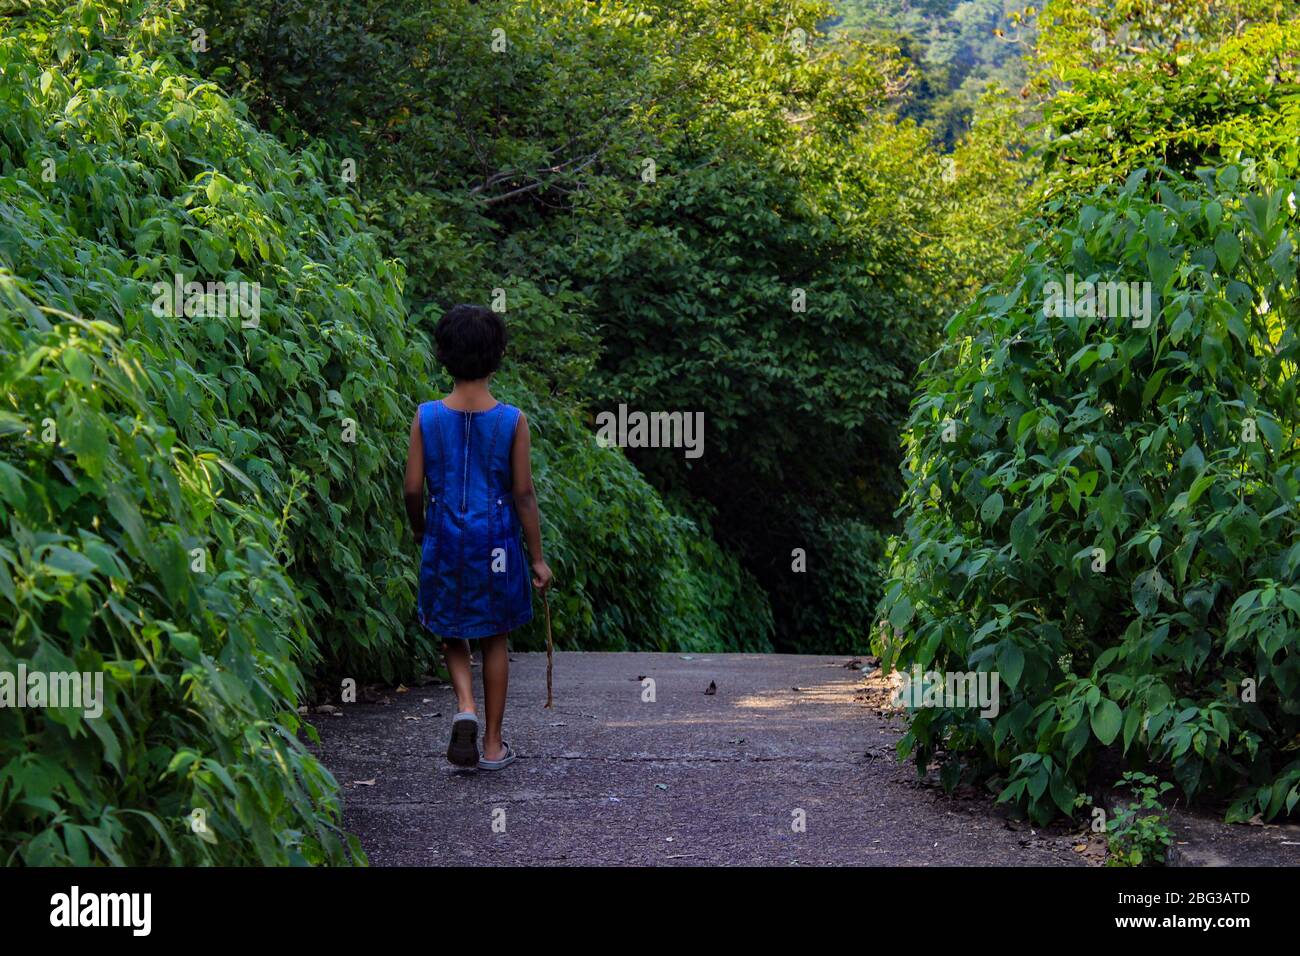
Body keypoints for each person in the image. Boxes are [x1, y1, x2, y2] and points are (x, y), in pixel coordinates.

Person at [403, 304, 552, 770]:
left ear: (443, 355)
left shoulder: (426, 417)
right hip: (498, 543)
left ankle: (464, 705)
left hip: (445, 534)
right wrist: (538, 558)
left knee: (451, 627)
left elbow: (411, 488)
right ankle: (491, 745)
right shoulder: (512, 421)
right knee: (495, 638)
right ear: (497, 357)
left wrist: (420, 528)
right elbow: (523, 494)